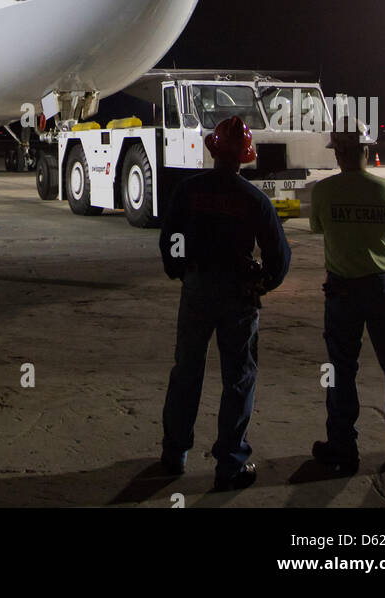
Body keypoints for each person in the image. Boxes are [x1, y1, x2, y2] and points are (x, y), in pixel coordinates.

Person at [158, 115, 291, 490]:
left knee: (187, 371)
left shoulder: (188, 191)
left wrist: (180, 270)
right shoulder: (254, 200)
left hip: (197, 289)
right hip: (237, 295)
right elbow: (278, 255)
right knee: (238, 378)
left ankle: (174, 454)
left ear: (213, 151)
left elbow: (171, 238)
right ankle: (230, 464)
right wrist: (263, 283)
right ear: (244, 157)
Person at [309, 121, 385, 472]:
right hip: (382, 289)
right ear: (368, 150)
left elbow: (319, 228)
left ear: (339, 153)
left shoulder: (323, 192)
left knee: (340, 371)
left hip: (342, 292)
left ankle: (343, 447)